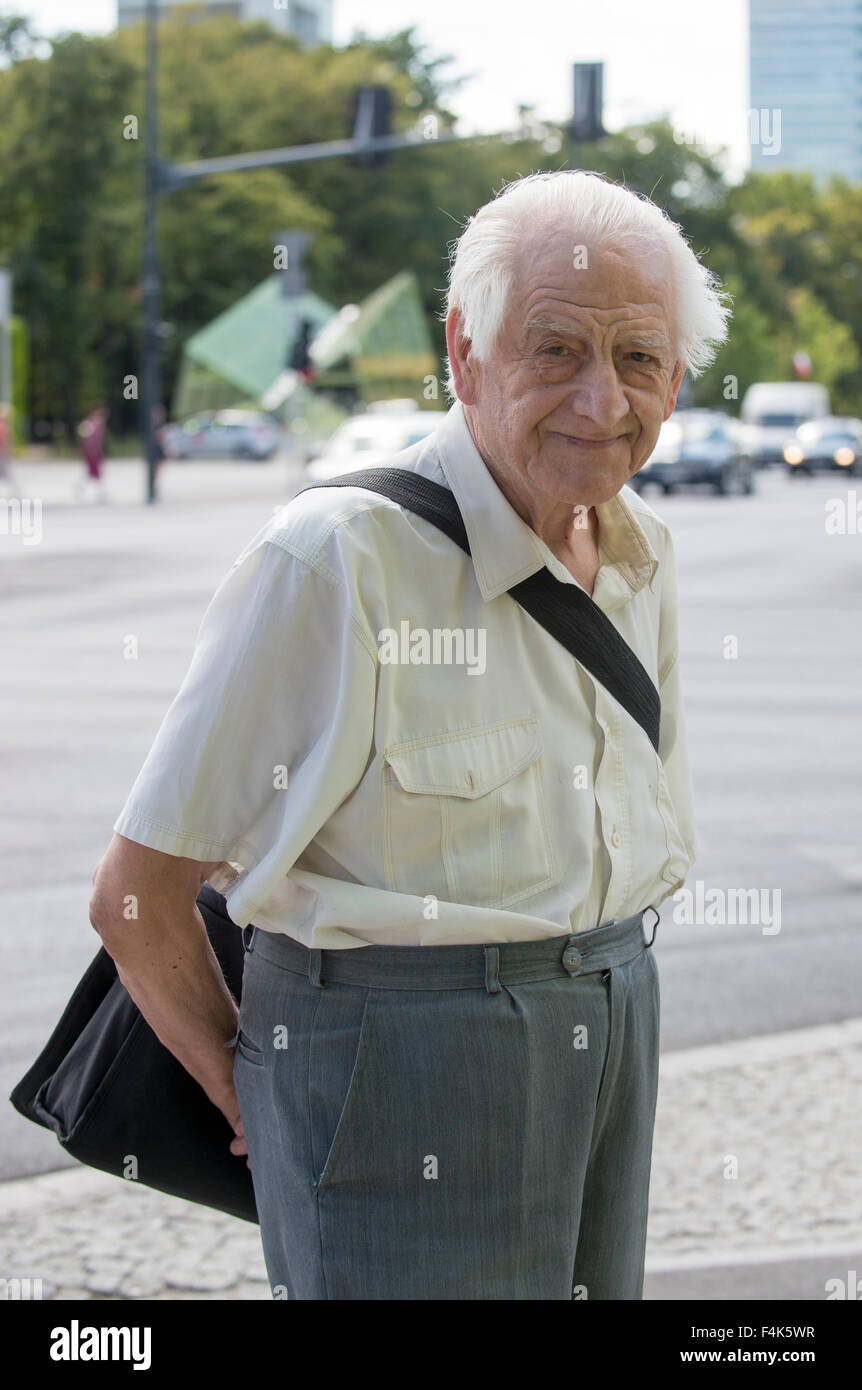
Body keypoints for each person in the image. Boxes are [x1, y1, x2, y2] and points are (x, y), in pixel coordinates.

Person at [89, 170, 730, 1301]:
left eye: (637, 358)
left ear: (675, 377)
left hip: (613, 1023)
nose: (601, 399)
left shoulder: (643, 556)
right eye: (554, 350)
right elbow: (136, 894)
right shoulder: (337, 559)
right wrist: (251, 1089)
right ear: (463, 352)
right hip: (393, 1070)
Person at [75, 403, 109, 503]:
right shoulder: (96, 423)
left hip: (90, 451)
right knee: (96, 473)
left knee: (92, 473)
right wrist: (95, 450)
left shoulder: (91, 422)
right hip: (92, 451)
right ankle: (100, 492)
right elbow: (94, 439)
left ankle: (81, 487)